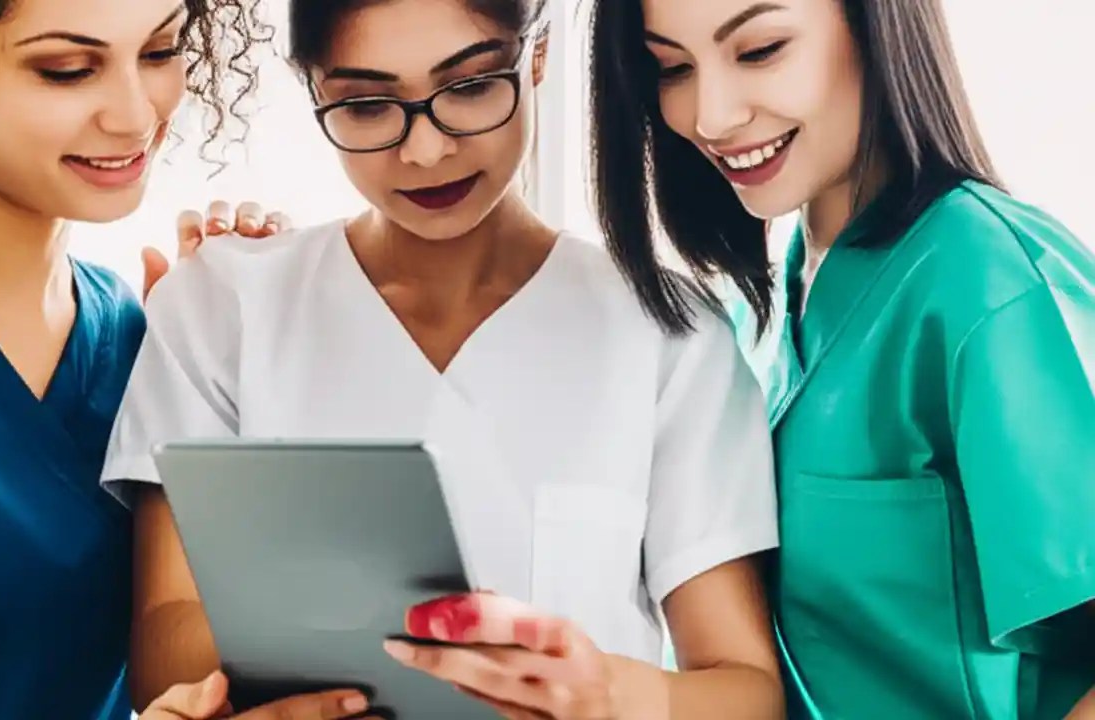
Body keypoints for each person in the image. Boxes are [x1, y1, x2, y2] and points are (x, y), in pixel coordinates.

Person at [101, 0, 790, 717]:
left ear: (538, 56)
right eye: (367, 106)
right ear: (313, 91)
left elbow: (746, 690)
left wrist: (607, 696)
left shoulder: (670, 333)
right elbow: (163, 644)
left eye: (470, 87)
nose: (426, 152)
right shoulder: (220, 307)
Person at [0, 0, 362, 718]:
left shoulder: (132, 329)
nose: (136, 116)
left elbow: (203, 648)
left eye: (159, 51)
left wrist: (227, 362)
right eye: (68, 69)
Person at [590, 0, 1095, 717]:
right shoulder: (751, 321)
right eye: (671, 68)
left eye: (760, 50)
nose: (712, 116)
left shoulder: (993, 287)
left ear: (873, 25)